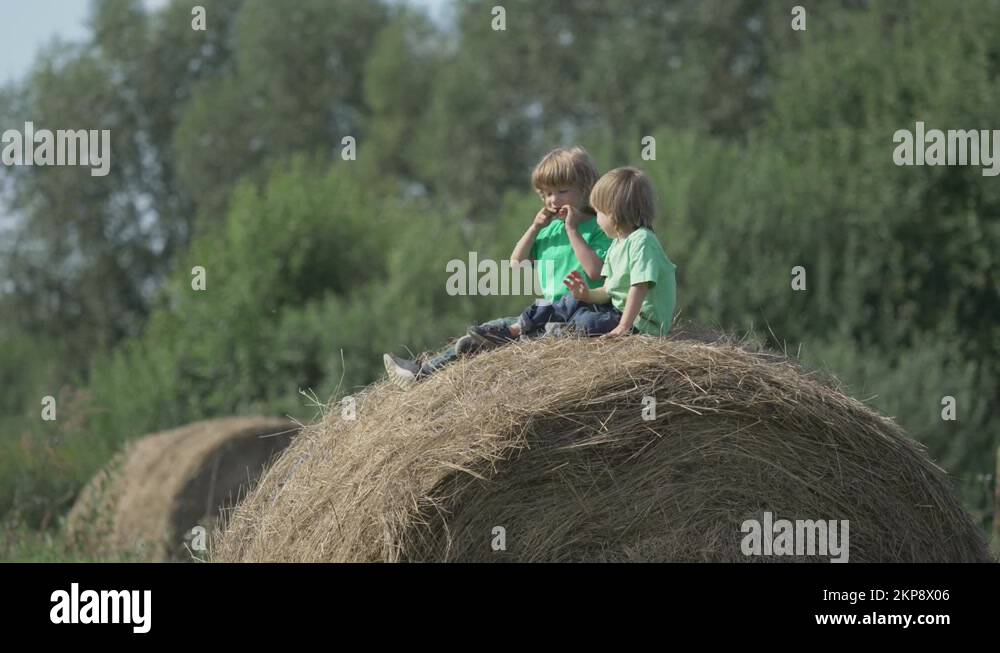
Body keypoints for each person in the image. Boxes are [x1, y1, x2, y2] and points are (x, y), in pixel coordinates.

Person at [383, 146, 612, 388]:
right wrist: (534, 228)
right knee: (487, 331)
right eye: (546, 194)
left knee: (502, 329)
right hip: (550, 312)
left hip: (583, 311)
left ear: (585, 188)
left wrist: (572, 229)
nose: (553, 200)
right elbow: (516, 264)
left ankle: (429, 371)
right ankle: (424, 372)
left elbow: (595, 272)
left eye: (562, 191)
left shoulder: (599, 228)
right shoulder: (549, 231)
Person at [468, 166, 676, 343]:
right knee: (568, 301)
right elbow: (609, 289)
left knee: (588, 323)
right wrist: (586, 295)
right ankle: (514, 331)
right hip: (617, 314)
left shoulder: (642, 240)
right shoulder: (618, 244)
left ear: (614, 213)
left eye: (599, 213)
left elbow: (639, 286)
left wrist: (623, 326)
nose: (597, 219)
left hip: (641, 325)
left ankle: (546, 336)